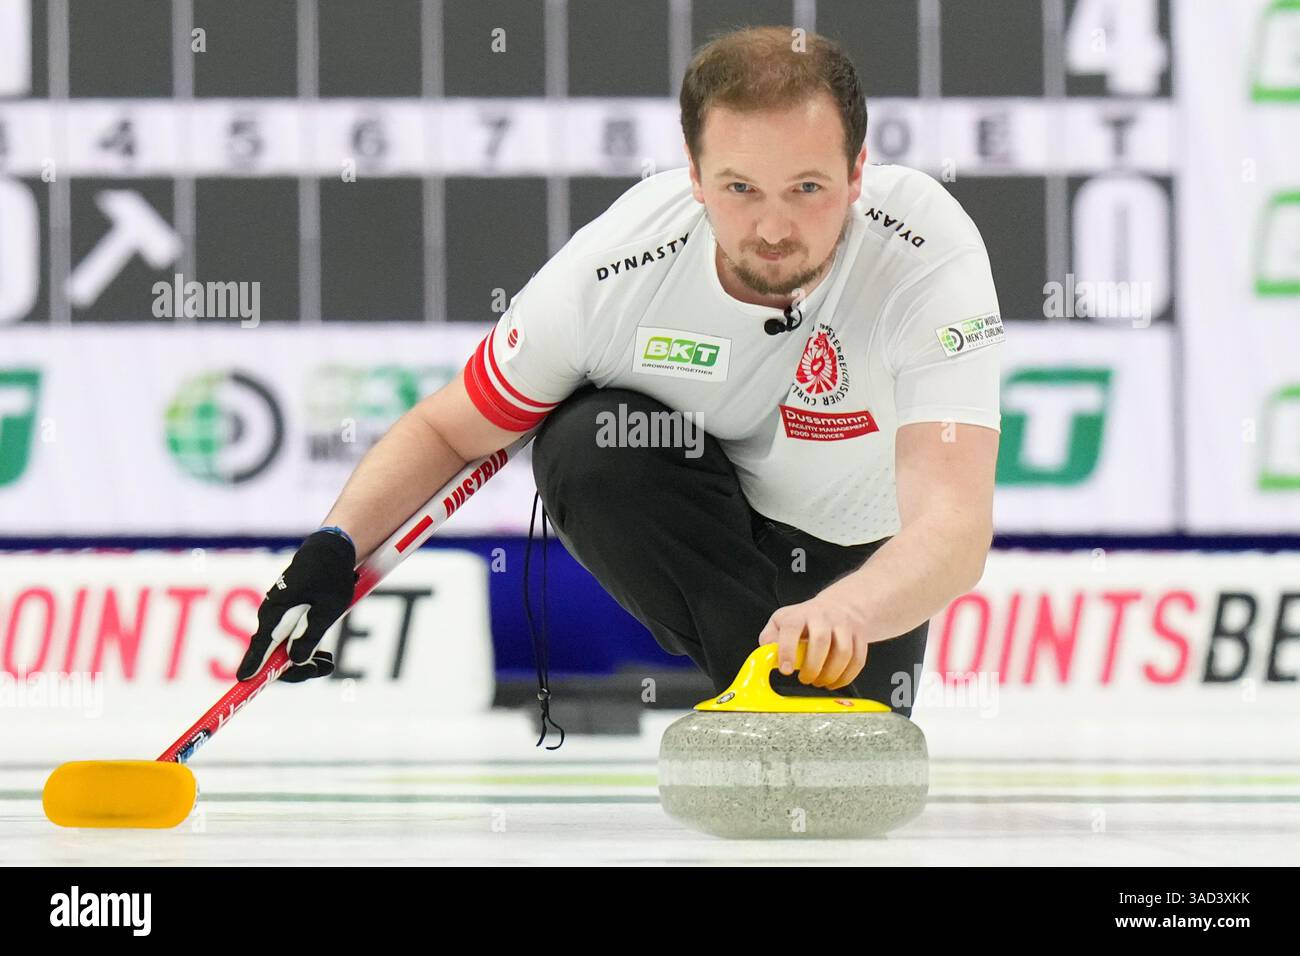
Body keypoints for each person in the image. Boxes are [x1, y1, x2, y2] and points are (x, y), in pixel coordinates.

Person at [237, 25, 1004, 726]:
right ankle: (766, 690)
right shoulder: (614, 272)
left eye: (808, 188)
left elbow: (954, 525)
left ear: (859, 170)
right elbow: (447, 429)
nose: (773, 229)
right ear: (695, 176)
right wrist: (333, 552)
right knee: (584, 442)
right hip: (714, 531)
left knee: (859, 766)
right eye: (740, 189)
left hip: (859, 563)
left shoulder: (926, 255)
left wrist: (854, 612)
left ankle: (800, 689)